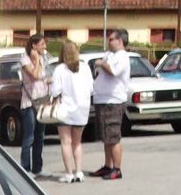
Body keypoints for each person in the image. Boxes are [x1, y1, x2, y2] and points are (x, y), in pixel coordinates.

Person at [48, 40, 93, 183]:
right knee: (77, 142)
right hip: (82, 108)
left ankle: (68, 173)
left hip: (65, 108)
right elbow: (91, 88)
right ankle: (79, 171)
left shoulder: (60, 69)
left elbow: (56, 90)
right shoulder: (85, 67)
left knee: (65, 142)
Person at [91, 29, 131, 180]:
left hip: (113, 101)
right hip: (103, 99)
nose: (109, 42)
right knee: (105, 136)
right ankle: (107, 165)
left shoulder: (122, 57)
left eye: (111, 39)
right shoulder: (109, 55)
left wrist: (102, 64)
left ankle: (117, 168)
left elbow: (113, 72)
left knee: (113, 136)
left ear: (120, 40)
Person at [19, 34, 49, 176]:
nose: (45, 47)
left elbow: (42, 77)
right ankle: (25, 168)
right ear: (34, 46)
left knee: (40, 136)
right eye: (42, 44)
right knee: (29, 137)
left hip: (41, 100)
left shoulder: (42, 59)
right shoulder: (25, 60)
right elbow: (34, 75)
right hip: (29, 103)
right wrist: (36, 60)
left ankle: (38, 168)